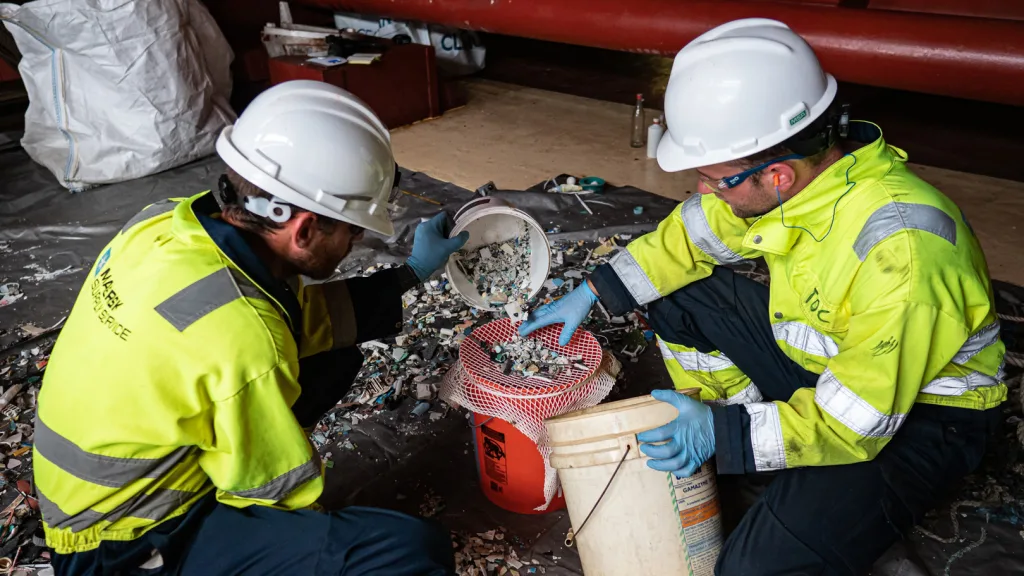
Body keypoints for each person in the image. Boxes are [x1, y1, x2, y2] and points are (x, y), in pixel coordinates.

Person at [519, 19, 1005, 575]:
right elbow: (693, 234)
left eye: (714, 178)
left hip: (914, 418)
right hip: (831, 372)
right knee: (675, 294)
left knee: (749, 569)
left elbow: (856, 422)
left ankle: (746, 440)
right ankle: (749, 434)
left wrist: (724, 436)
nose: (704, 190)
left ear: (775, 174)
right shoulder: (803, 186)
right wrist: (595, 288)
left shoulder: (905, 253)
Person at [33, 81, 467, 575]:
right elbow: (278, 489)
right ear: (302, 230)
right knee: (407, 550)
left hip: (86, 496)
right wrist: (317, 545)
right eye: (353, 229)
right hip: (124, 545)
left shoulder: (164, 226)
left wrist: (410, 273)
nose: (357, 241)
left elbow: (295, 317)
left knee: (334, 359)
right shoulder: (243, 337)